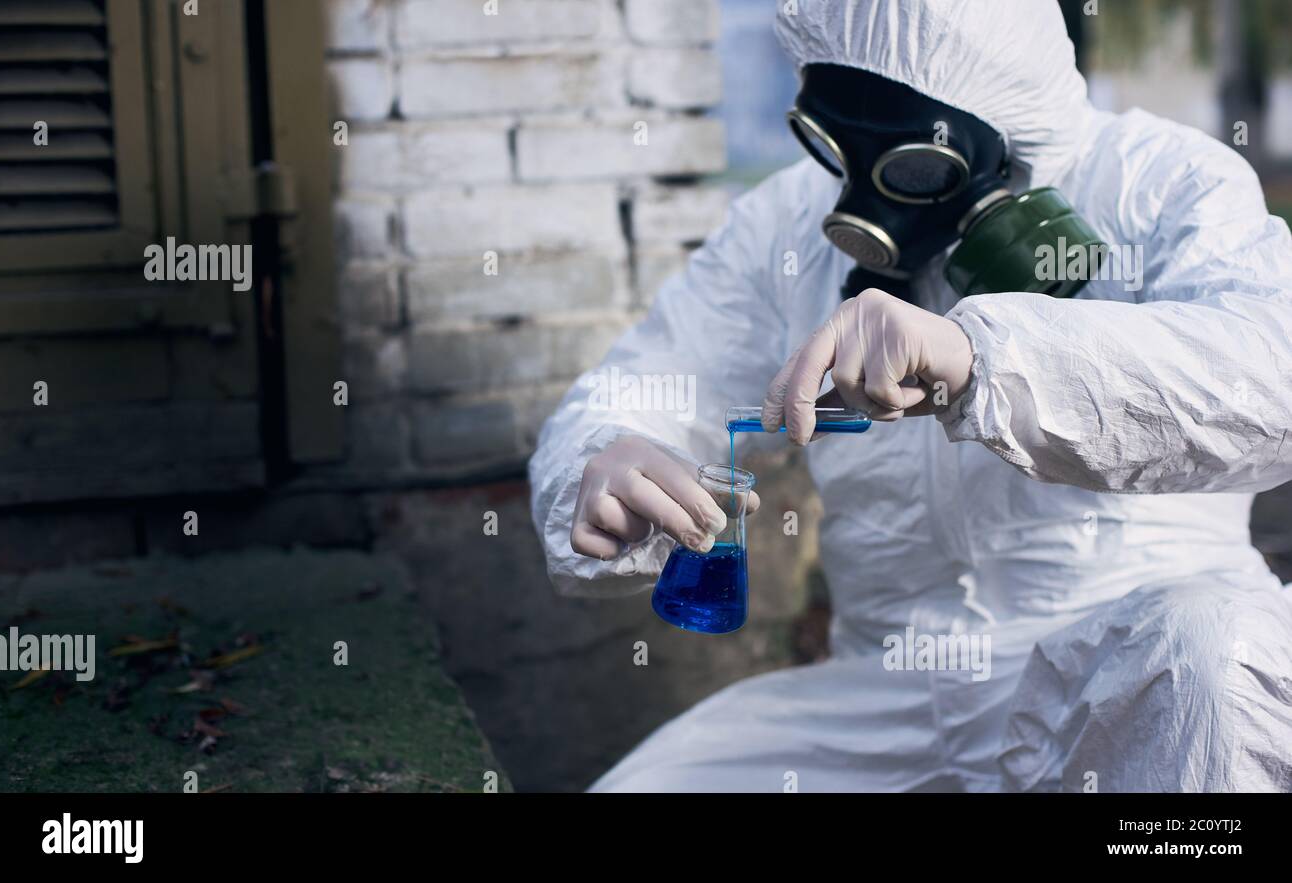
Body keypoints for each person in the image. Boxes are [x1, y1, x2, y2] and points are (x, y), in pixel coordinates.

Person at [528, 0, 1292, 792]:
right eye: (840, 141)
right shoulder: (786, 225)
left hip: (1126, 666)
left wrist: (985, 357)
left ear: (1000, 122)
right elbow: (643, 379)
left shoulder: (1159, 181)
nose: (862, 192)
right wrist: (607, 453)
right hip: (886, 694)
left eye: (910, 163)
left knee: (1215, 669)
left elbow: (1272, 373)